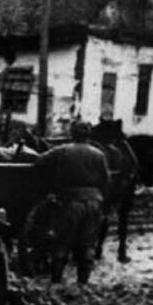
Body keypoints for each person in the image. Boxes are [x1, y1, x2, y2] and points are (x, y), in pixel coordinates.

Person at [32, 120, 111, 284]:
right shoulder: (99, 154)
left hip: (69, 202)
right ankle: (83, 284)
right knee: (87, 244)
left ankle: (56, 283)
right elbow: (106, 180)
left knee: (62, 242)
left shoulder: (62, 151)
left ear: (72, 134)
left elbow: (39, 162)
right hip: (93, 202)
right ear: (88, 136)